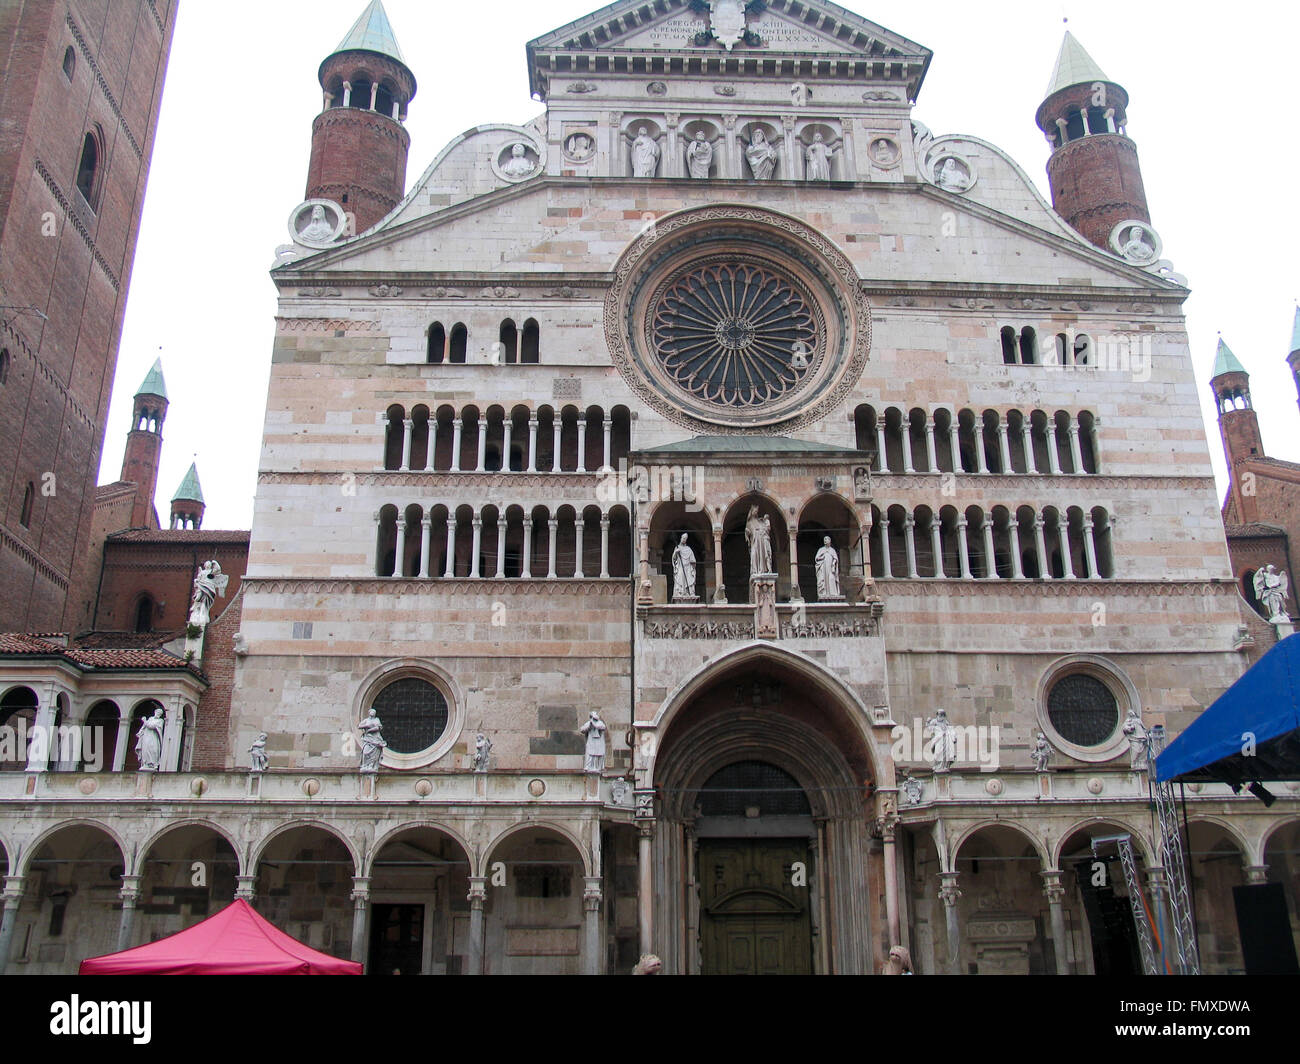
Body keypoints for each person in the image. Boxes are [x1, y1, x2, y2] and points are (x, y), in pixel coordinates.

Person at [134, 707, 165, 772]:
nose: (159, 714)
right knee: (145, 749)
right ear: (155, 712)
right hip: (146, 736)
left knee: (152, 749)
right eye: (158, 712)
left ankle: (152, 764)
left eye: (160, 713)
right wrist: (140, 732)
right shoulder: (150, 719)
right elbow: (144, 726)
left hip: (153, 737)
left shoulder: (160, 721)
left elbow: (151, 726)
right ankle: (145, 763)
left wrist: (145, 721)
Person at [745, 505, 773, 575]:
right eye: (755, 511)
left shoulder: (760, 521)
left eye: (757, 511)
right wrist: (747, 533)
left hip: (761, 540)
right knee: (754, 554)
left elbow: (766, 529)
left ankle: (762, 570)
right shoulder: (749, 523)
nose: (756, 512)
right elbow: (748, 533)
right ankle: (755, 571)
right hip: (755, 541)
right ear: (752, 512)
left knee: (763, 554)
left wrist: (766, 522)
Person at [359, 709, 386, 773]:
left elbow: (378, 727)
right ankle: (365, 765)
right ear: (369, 712)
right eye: (372, 712)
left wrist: (369, 730)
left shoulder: (376, 720)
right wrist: (367, 726)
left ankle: (371, 765)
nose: (373, 713)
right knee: (365, 752)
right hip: (367, 738)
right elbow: (359, 726)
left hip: (375, 738)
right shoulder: (366, 720)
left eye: (374, 712)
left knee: (374, 753)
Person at [671, 534, 698, 601]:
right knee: (680, 578)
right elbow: (674, 559)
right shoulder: (677, 548)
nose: (684, 540)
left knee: (689, 579)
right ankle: (680, 592)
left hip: (688, 567)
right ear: (681, 538)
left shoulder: (688, 549)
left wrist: (692, 562)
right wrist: (675, 552)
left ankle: (689, 592)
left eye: (685, 538)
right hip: (680, 566)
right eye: (683, 538)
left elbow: (693, 559)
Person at [815, 536, 841, 600]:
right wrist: (821, 557)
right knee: (823, 578)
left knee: (831, 578)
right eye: (824, 539)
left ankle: (833, 593)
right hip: (823, 567)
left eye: (826, 539)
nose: (825, 540)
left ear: (830, 541)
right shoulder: (821, 550)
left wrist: (833, 564)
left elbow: (835, 558)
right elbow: (817, 558)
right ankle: (824, 593)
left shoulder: (832, 550)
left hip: (830, 567)